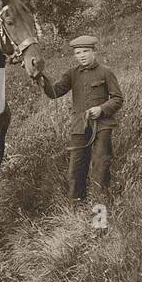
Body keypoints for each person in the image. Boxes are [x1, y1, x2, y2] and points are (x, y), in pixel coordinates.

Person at [38, 35, 124, 203]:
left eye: (85, 51)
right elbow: (54, 92)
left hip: (103, 125)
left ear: (94, 51)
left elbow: (117, 98)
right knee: (76, 168)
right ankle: (75, 206)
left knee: (101, 165)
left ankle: (100, 205)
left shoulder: (105, 72)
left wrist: (101, 109)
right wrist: (41, 79)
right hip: (79, 126)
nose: (82, 55)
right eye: (78, 53)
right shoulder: (72, 73)